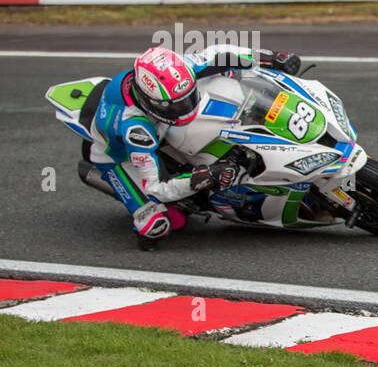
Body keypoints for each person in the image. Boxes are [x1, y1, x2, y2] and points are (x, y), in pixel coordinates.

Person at [85, 44, 301, 250]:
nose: (185, 106)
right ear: (150, 102)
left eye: (188, 98)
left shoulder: (176, 73)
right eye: (177, 104)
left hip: (160, 125)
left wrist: (271, 58)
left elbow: (220, 54)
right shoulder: (137, 130)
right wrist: (206, 175)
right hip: (117, 158)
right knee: (155, 225)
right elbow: (156, 188)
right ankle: (163, 212)